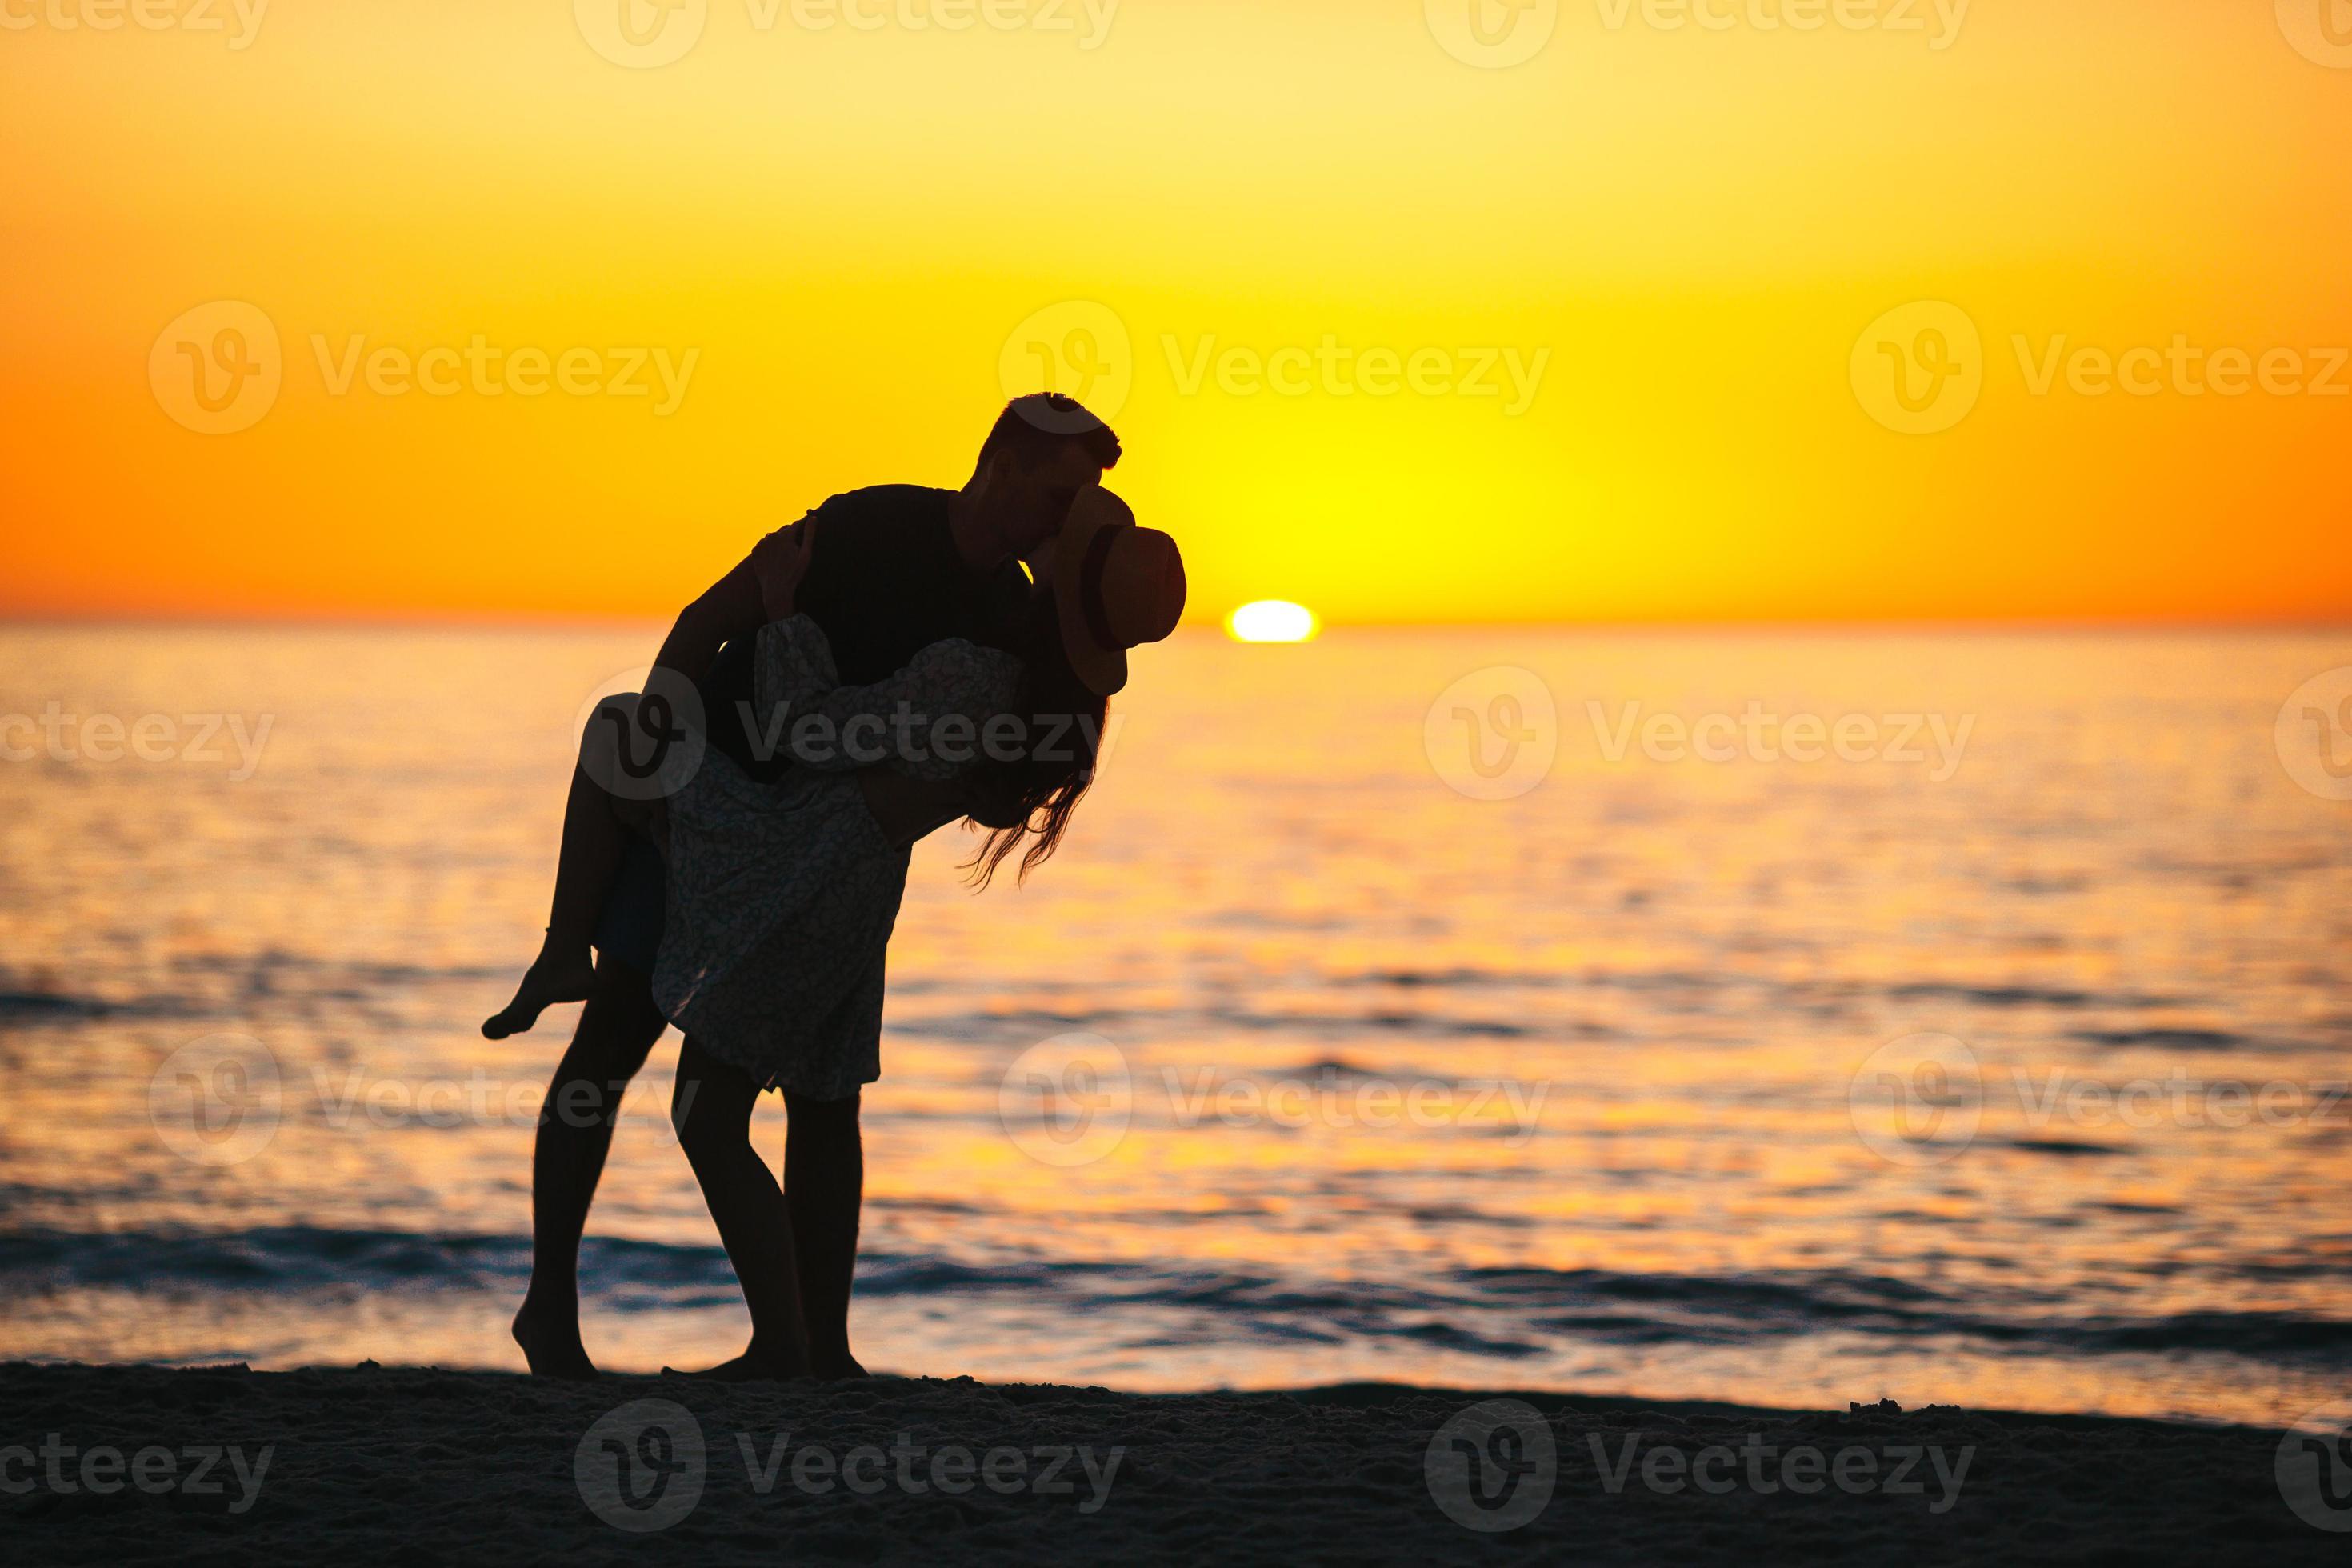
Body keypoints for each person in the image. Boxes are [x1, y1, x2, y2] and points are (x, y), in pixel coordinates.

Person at [485, 396, 1164, 1379]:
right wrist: (673, 762)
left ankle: (810, 1349)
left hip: (803, 859)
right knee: (614, 1043)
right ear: (1003, 466)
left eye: (1085, 506)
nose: (1068, 520)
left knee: (818, 1098)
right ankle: (561, 1308)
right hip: (710, 801)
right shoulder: (870, 523)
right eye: (1065, 496)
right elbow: (701, 625)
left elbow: (899, 752)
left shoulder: (1012, 621)